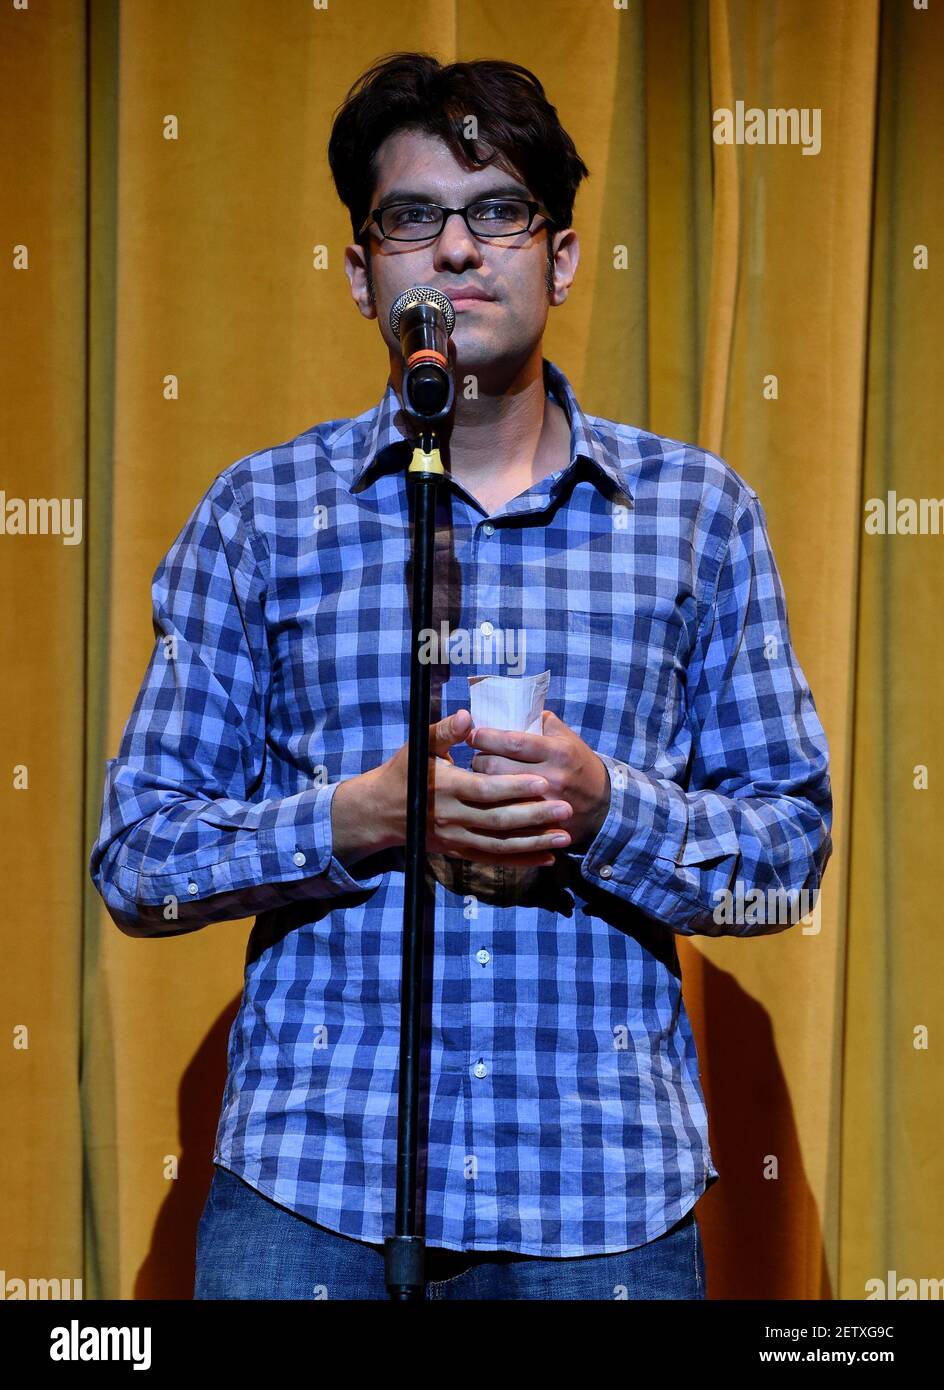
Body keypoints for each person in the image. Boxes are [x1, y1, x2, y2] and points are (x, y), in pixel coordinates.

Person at [89, 52, 833, 1301]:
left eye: (495, 210)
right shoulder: (262, 513)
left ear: (560, 256)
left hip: (602, 1199)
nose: (454, 250)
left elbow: (787, 851)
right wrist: (357, 817)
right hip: (308, 1194)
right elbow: (137, 857)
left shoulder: (694, 514)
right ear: (357, 271)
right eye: (409, 217)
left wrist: (605, 809)